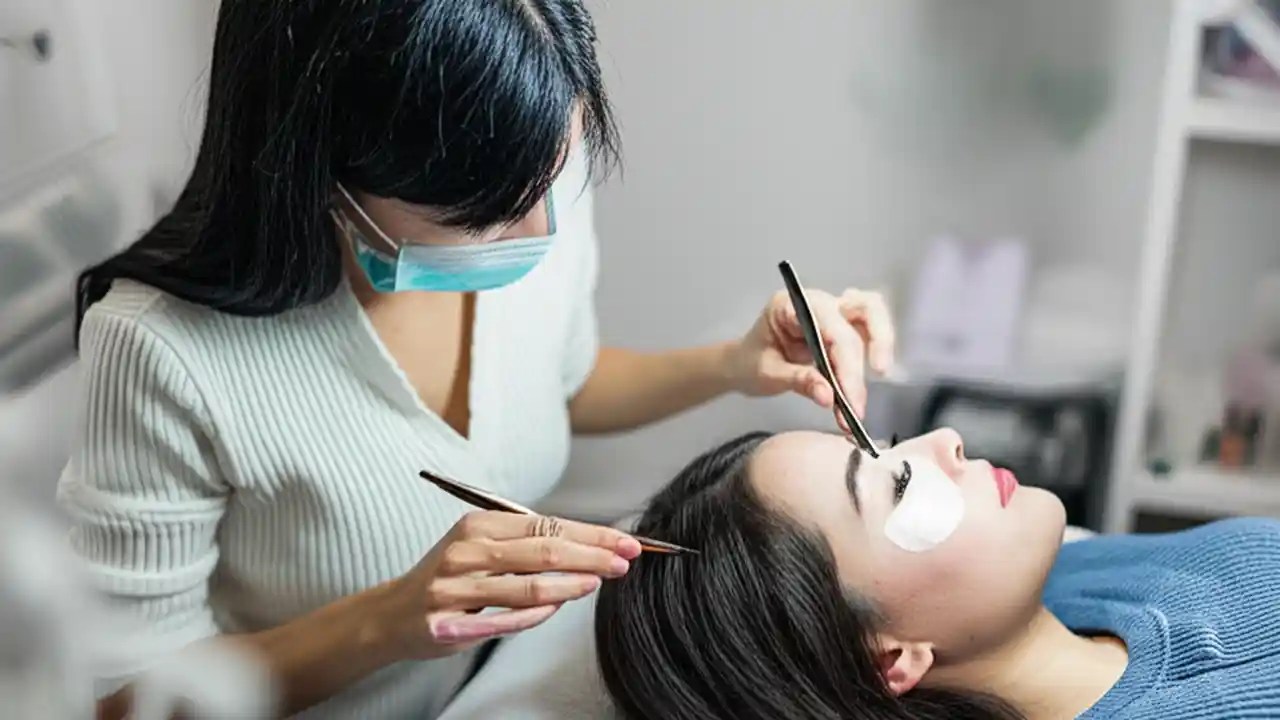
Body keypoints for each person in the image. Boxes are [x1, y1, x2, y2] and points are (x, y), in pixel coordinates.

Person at [58, 2, 896, 718]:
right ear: (321, 167)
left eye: (550, 181)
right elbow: (129, 700)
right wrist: (389, 621)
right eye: (485, 217)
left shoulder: (530, 173)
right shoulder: (157, 350)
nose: (540, 234)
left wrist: (732, 364)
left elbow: (554, 388)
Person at [595, 429, 1280, 720]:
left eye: (889, 446)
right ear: (890, 659)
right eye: (897, 484)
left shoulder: (1066, 579)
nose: (946, 442)